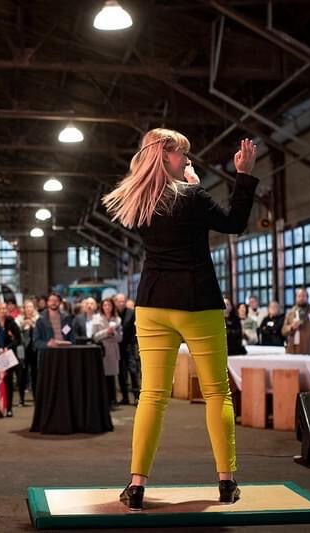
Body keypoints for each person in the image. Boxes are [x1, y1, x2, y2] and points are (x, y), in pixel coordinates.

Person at [102, 130, 258, 509]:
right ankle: (227, 482)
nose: (187, 160)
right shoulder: (192, 196)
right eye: (182, 154)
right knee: (216, 393)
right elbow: (235, 222)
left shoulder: (135, 201)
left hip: (153, 305)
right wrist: (244, 175)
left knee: (151, 395)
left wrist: (191, 187)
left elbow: (170, 218)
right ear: (164, 155)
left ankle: (136, 485)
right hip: (198, 302)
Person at [92, 297, 123, 407]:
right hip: (102, 350)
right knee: (103, 376)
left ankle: (112, 400)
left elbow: (120, 338)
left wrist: (113, 333)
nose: (107, 307)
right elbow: (94, 337)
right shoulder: (96, 319)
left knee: (112, 377)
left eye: (109, 305)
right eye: (105, 305)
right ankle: (103, 401)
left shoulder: (117, 319)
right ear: (102, 306)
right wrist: (106, 332)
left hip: (113, 349)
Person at [282, 288, 310, 354]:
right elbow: (283, 330)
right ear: (296, 298)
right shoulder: (291, 312)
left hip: (309, 349)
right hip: (293, 349)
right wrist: (291, 327)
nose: (301, 298)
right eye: (299, 296)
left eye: (303, 296)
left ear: (307, 297)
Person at [115, 293, 140, 405]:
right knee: (121, 373)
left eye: (122, 301)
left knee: (133, 371)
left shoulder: (131, 313)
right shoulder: (114, 314)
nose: (121, 303)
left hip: (129, 347)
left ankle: (137, 397)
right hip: (117, 347)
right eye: (119, 301)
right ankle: (124, 397)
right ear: (115, 302)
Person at [15, 299, 39, 404]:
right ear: (23, 309)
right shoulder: (18, 319)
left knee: (35, 374)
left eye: (30, 307)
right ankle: (21, 398)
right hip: (22, 350)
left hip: (34, 349)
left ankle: (36, 397)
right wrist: (22, 325)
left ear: (34, 308)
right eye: (27, 307)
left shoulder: (38, 318)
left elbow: (42, 331)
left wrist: (33, 324)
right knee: (22, 374)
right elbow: (15, 333)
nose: (29, 309)